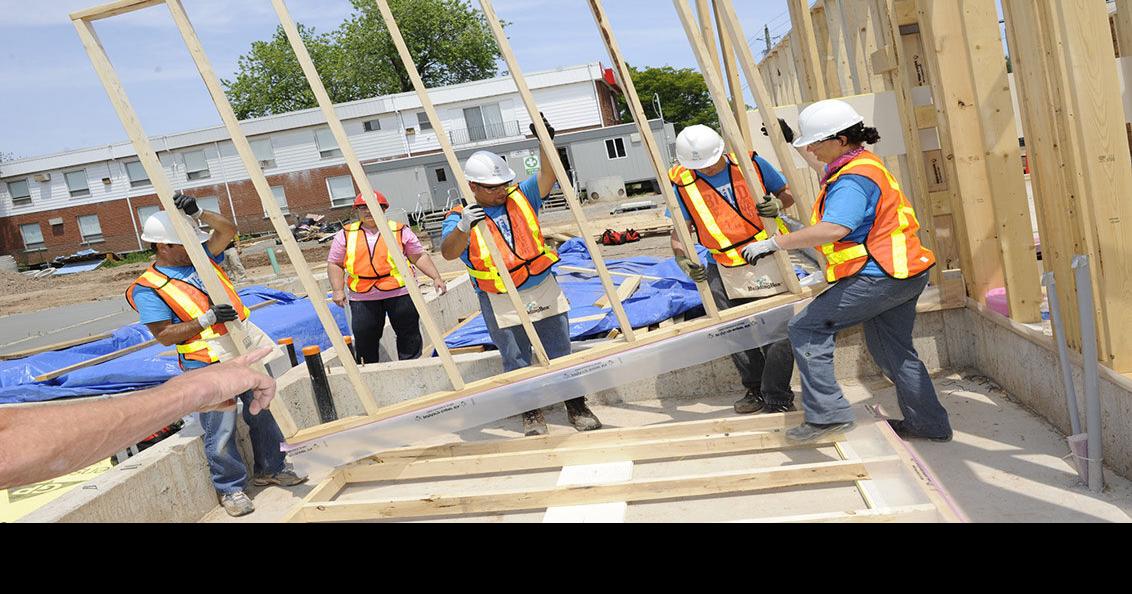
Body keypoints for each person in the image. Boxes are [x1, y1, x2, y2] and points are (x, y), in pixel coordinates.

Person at [743, 99, 951, 443]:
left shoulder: (852, 180)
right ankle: (929, 424)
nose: (811, 148)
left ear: (840, 139)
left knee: (807, 329)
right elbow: (818, 165)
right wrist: (790, 139)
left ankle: (827, 417)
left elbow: (834, 228)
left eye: (816, 142)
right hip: (905, 272)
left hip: (879, 276)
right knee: (894, 351)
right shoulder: (860, 162)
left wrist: (775, 244)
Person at [125, 193, 306, 517]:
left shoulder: (201, 258)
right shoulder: (149, 287)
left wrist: (198, 213)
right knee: (220, 426)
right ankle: (231, 488)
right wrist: (206, 319)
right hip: (205, 358)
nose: (195, 245)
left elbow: (227, 231)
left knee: (262, 410)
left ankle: (271, 467)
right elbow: (164, 336)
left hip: (240, 345)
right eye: (185, 242)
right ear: (163, 246)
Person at [440, 115, 602, 437]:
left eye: (503, 184)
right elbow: (448, 252)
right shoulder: (460, 217)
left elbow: (548, 174)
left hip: (540, 284)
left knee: (560, 351)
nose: (501, 191)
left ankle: (576, 405)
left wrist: (545, 142)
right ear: (473, 187)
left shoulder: (521, 196)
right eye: (492, 187)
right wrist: (463, 228)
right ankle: (531, 412)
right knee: (515, 357)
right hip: (499, 297)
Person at [0, 347, 278, 490]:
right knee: (220, 438)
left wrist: (190, 393)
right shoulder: (151, 286)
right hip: (198, 365)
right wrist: (189, 393)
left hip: (212, 369)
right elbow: (9, 449)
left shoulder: (202, 268)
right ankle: (231, 489)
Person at [667, 124, 798, 415]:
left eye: (711, 162)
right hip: (721, 263)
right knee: (733, 331)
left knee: (779, 332)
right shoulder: (682, 183)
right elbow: (680, 231)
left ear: (721, 150)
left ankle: (777, 395)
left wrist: (777, 204)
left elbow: (787, 194)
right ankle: (755, 389)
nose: (708, 169)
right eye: (699, 165)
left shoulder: (751, 164)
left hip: (766, 253)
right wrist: (682, 259)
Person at [327, 191, 447, 363]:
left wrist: (436, 277)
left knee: (408, 334)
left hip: (400, 292)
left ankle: (412, 367)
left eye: (373, 207)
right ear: (357, 211)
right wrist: (337, 290)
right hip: (363, 296)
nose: (368, 212)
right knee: (364, 338)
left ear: (383, 209)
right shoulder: (346, 234)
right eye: (363, 208)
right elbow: (335, 263)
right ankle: (369, 373)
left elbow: (418, 256)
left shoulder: (398, 230)